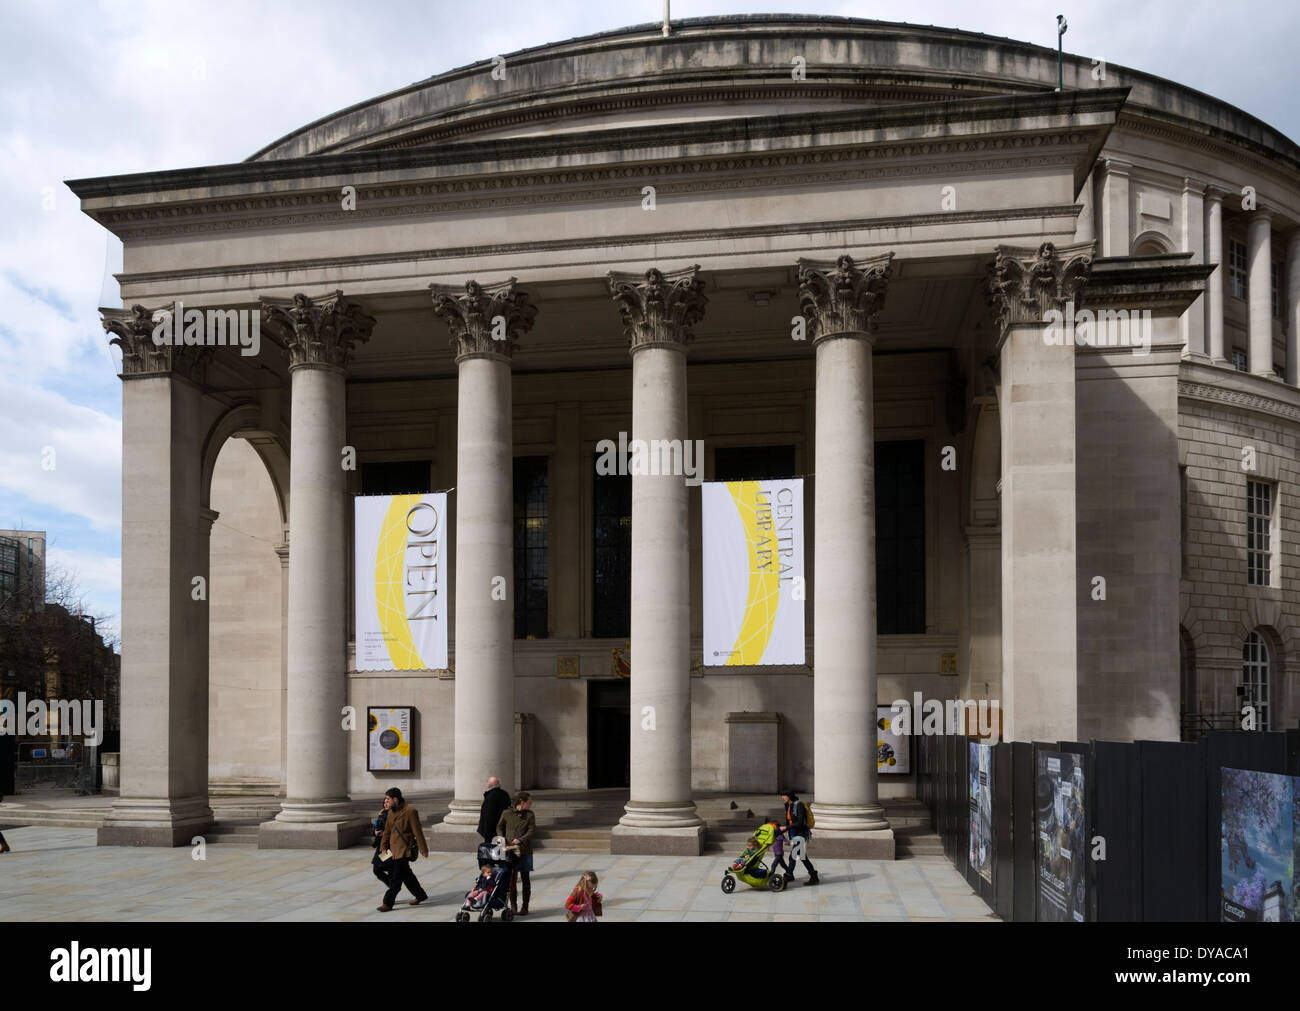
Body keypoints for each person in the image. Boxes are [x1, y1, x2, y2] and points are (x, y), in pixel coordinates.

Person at [377, 787, 429, 911]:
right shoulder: (390, 812)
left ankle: (387, 903)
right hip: (392, 850)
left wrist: (423, 849)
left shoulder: (410, 811)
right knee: (407, 875)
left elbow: (418, 831)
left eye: (388, 799)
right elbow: (387, 831)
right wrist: (383, 846)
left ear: (396, 799)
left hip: (404, 850)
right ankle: (420, 895)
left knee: (396, 878)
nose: (387, 802)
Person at [496, 791, 536, 915]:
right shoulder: (506, 813)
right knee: (511, 879)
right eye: (529, 802)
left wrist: (520, 840)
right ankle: (513, 906)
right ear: (522, 802)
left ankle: (525, 906)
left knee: (525, 879)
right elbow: (499, 826)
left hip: (525, 850)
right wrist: (501, 838)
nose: (531, 804)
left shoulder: (530, 815)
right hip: (509, 851)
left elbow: (532, 830)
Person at [781, 789, 819, 885]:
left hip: (801, 833)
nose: (782, 797)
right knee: (802, 857)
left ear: (789, 796)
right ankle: (813, 875)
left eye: (784, 795)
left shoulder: (799, 805)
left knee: (793, 856)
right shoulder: (787, 805)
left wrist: (786, 827)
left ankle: (788, 875)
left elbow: (800, 822)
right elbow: (788, 821)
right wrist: (783, 831)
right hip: (793, 833)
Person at [477, 776, 511, 846]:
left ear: (489, 785)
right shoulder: (505, 794)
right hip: (502, 828)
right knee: (500, 849)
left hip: (492, 831)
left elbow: (488, 817)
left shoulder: (490, 797)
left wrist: (487, 837)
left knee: (494, 850)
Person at [370, 793, 393, 886]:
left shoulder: (395, 815)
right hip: (381, 846)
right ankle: (392, 885)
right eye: (384, 802)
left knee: (387, 867)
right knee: (377, 868)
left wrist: (384, 834)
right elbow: (377, 828)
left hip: (390, 847)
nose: (385, 804)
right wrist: (375, 832)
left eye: (388, 802)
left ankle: (393, 888)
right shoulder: (382, 814)